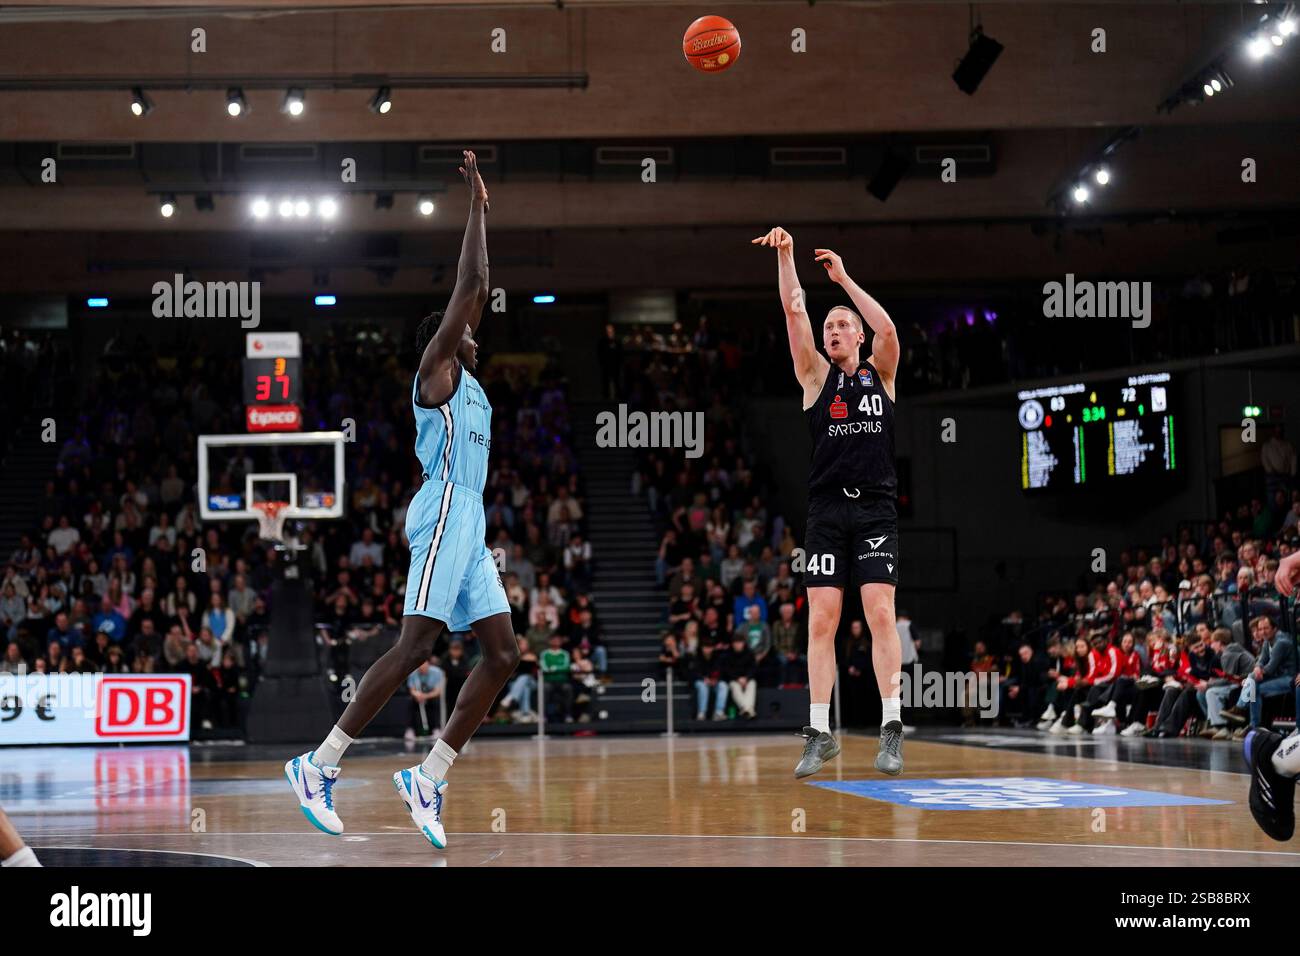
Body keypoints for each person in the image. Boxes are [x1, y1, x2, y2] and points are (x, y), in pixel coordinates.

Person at [285, 152, 514, 851]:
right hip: (443, 504)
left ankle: (430, 775)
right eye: (464, 325)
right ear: (446, 340)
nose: (475, 326)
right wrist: (476, 205)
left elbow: (481, 288)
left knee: (503, 655)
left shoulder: (474, 385)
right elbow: (472, 282)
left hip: (470, 515)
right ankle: (318, 765)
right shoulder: (436, 373)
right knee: (417, 643)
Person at [754, 226, 904, 778]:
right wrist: (788, 258)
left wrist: (842, 280)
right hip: (826, 512)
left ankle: (891, 727)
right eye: (830, 325)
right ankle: (819, 731)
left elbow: (887, 327)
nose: (833, 330)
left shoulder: (881, 373)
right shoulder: (815, 377)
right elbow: (795, 313)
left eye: (843, 326)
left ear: (858, 337)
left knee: (880, 612)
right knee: (822, 619)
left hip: (876, 510)